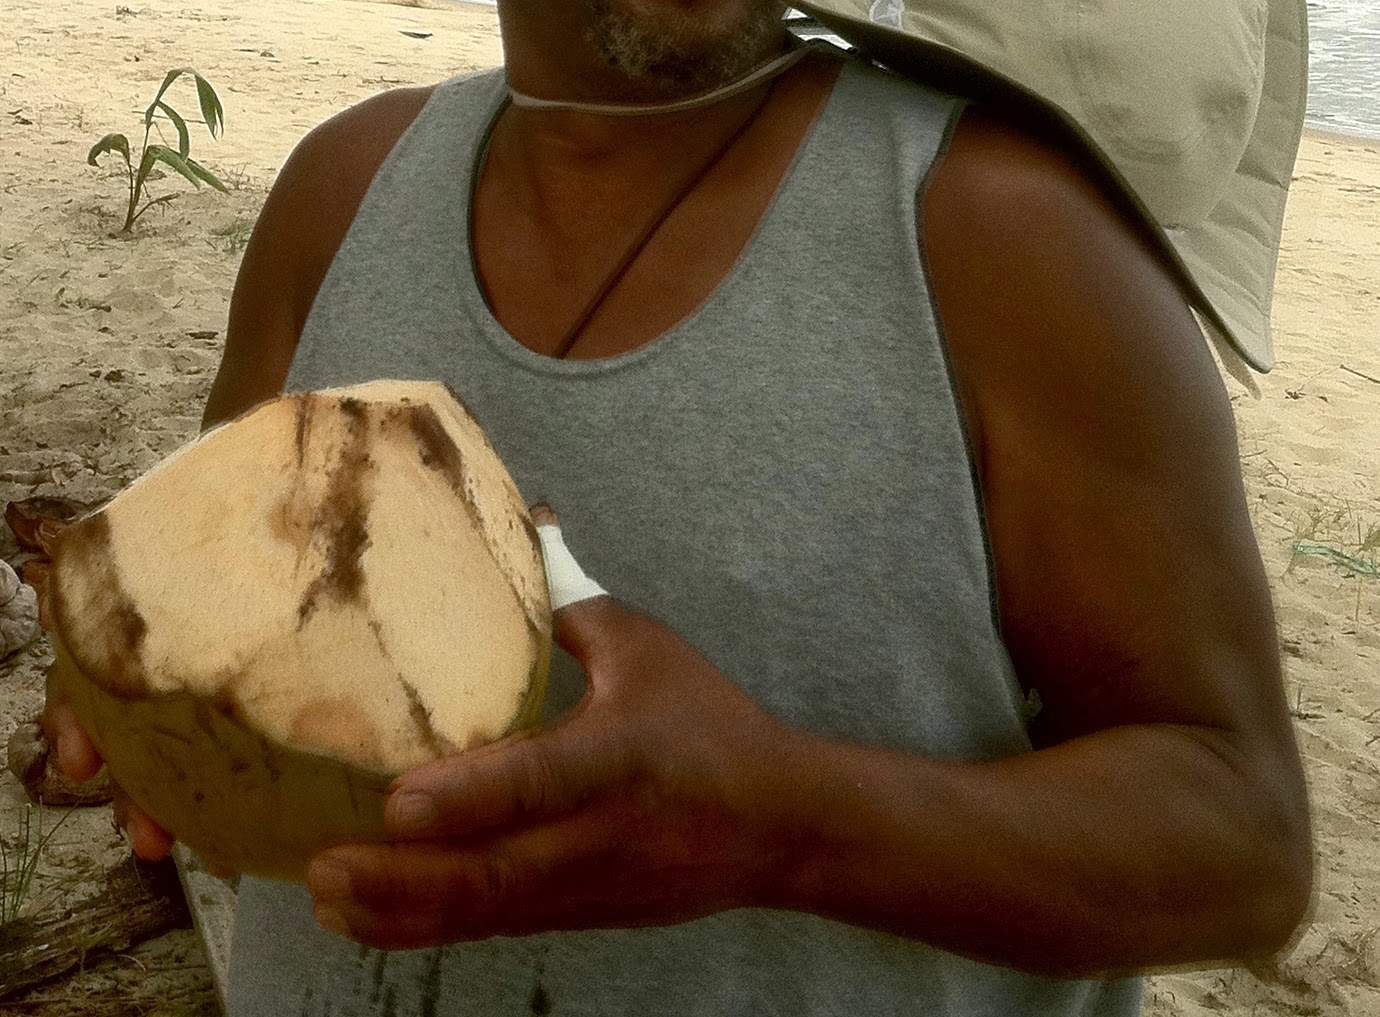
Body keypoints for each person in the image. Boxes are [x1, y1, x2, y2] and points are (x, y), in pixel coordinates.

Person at [44, 1, 1312, 1013]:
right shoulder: (342, 194)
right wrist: (131, 682)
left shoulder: (1007, 235)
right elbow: (213, 600)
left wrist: (784, 827)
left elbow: (1243, 845)